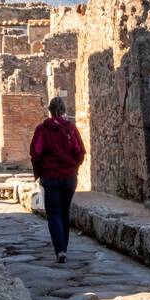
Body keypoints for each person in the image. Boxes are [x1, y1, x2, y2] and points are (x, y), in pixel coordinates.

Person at [29, 97, 86, 263]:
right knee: (64, 212)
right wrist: (74, 168)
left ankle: (60, 250)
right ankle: (64, 248)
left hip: (50, 178)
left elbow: (36, 153)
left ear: (50, 110)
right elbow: (80, 151)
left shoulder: (42, 129)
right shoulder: (71, 128)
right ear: (63, 110)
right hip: (69, 178)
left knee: (53, 214)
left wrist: (41, 171)